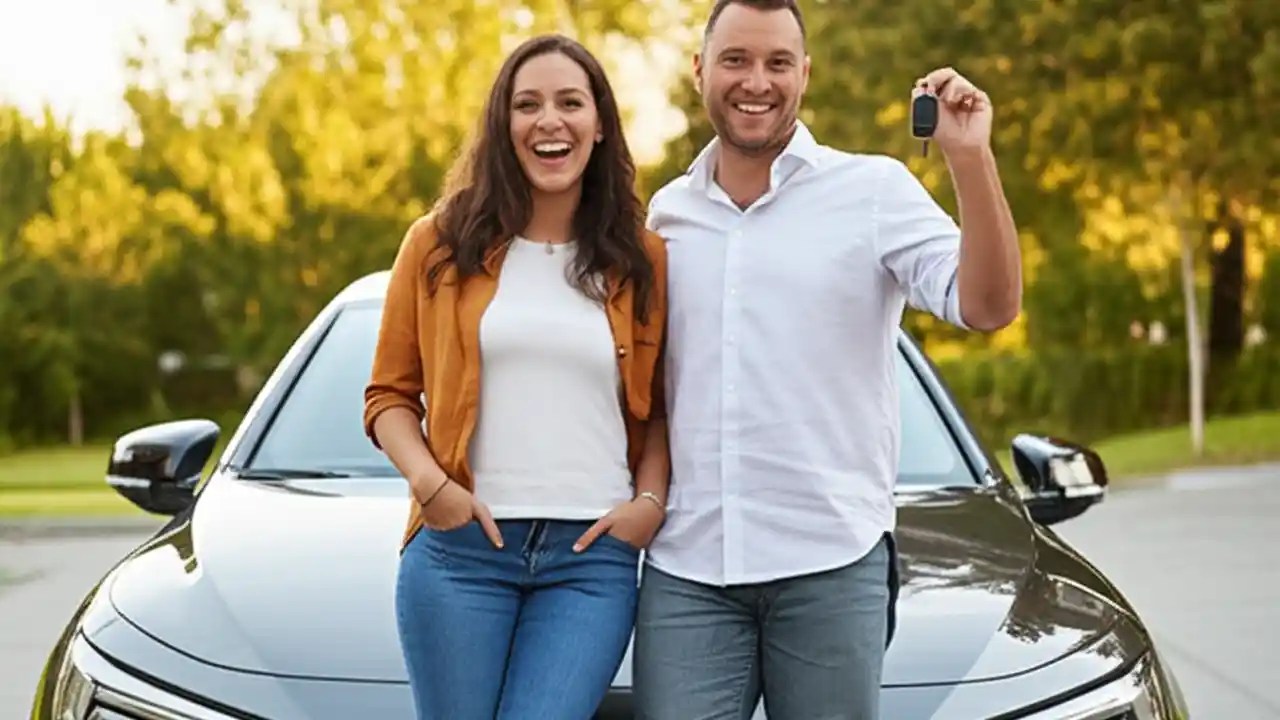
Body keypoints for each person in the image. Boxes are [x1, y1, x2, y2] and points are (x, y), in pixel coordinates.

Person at [632, 1, 1021, 718]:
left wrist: (970, 157)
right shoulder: (664, 215)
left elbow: (988, 305)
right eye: (736, 60)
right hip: (688, 571)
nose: (758, 81)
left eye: (778, 62)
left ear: (804, 74)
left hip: (831, 566)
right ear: (700, 71)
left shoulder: (872, 192)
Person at [362, 33, 670, 720]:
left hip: (591, 562)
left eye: (570, 102)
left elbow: (660, 411)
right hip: (458, 555)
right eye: (527, 104)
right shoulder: (436, 244)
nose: (549, 121)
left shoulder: (643, 258)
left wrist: (649, 503)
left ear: (598, 127)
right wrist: (431, 485)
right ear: (503, 126)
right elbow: (388, 395)